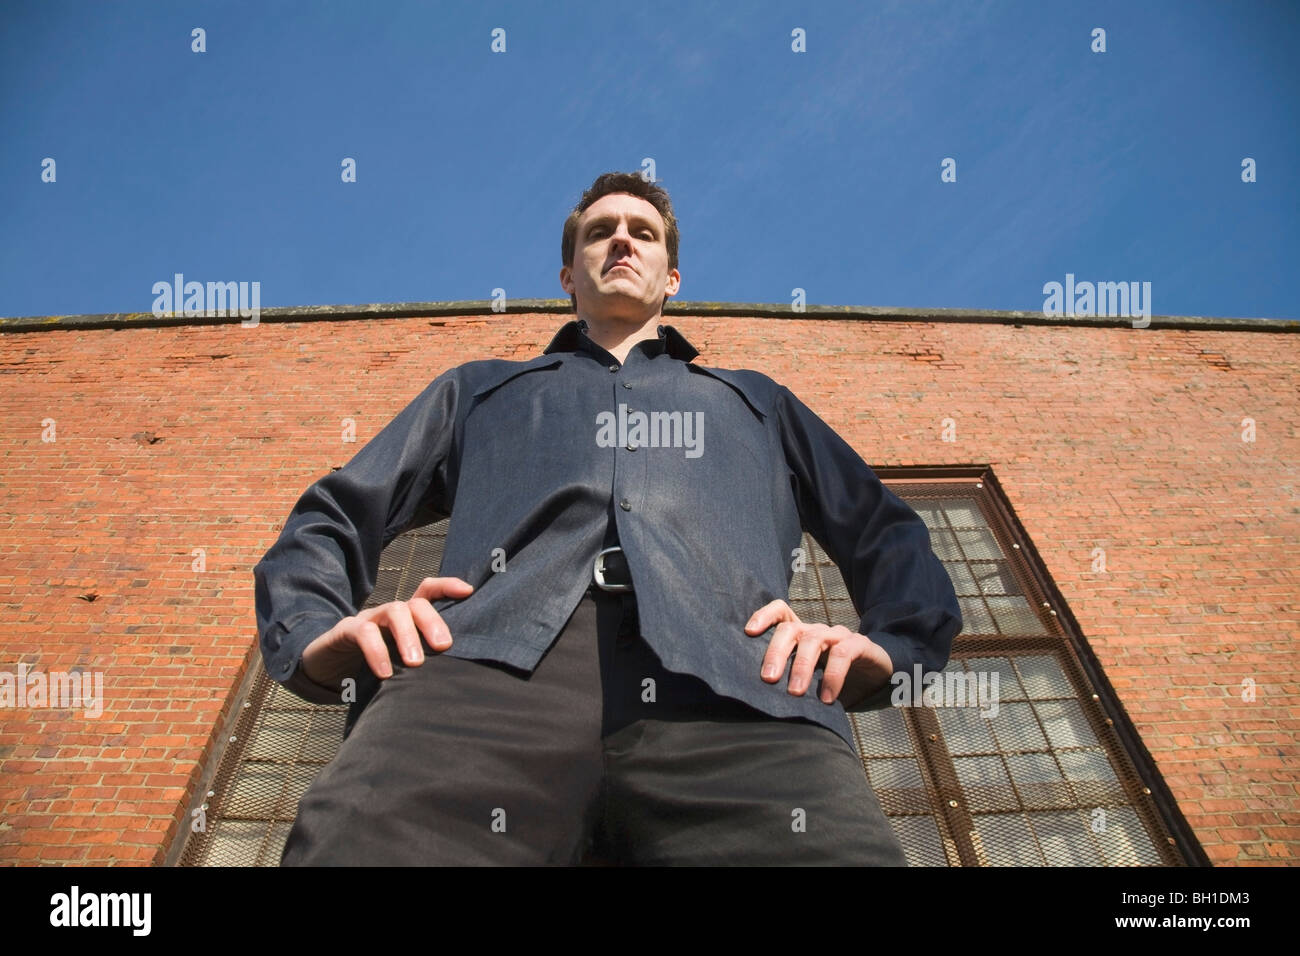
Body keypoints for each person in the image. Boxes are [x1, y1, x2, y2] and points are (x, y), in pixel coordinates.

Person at [254, 171, 962, 865]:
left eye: (642, 233)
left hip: (745, 692)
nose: (622, 241)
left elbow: (886, 529)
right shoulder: (480, 390)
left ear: (672, 277)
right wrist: (312, 631)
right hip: (476, 685)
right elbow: (336, 510)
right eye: (601, 232)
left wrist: (894, 650)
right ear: (569, 275)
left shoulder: (757, 402)